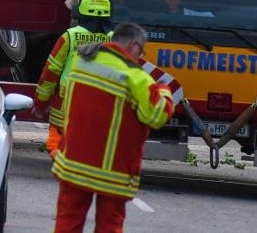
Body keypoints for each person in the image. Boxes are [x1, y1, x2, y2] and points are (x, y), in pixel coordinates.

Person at [52, 22, 173, 233]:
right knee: (110, 226)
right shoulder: (135, 77)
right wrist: (163, 91)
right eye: (141, 52)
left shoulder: (82, 61)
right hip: (111, 171)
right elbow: (156, 116)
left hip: (73, 162)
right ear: (134, 45)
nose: (140, 57)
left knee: (67, 222)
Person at [33, 0, 114, 159]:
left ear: (81, 13)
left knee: (57, 144)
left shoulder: (69, 36)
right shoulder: (114, 39)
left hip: (66, 106)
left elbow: (50, 72)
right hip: (102, 106)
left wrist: (41, 102)